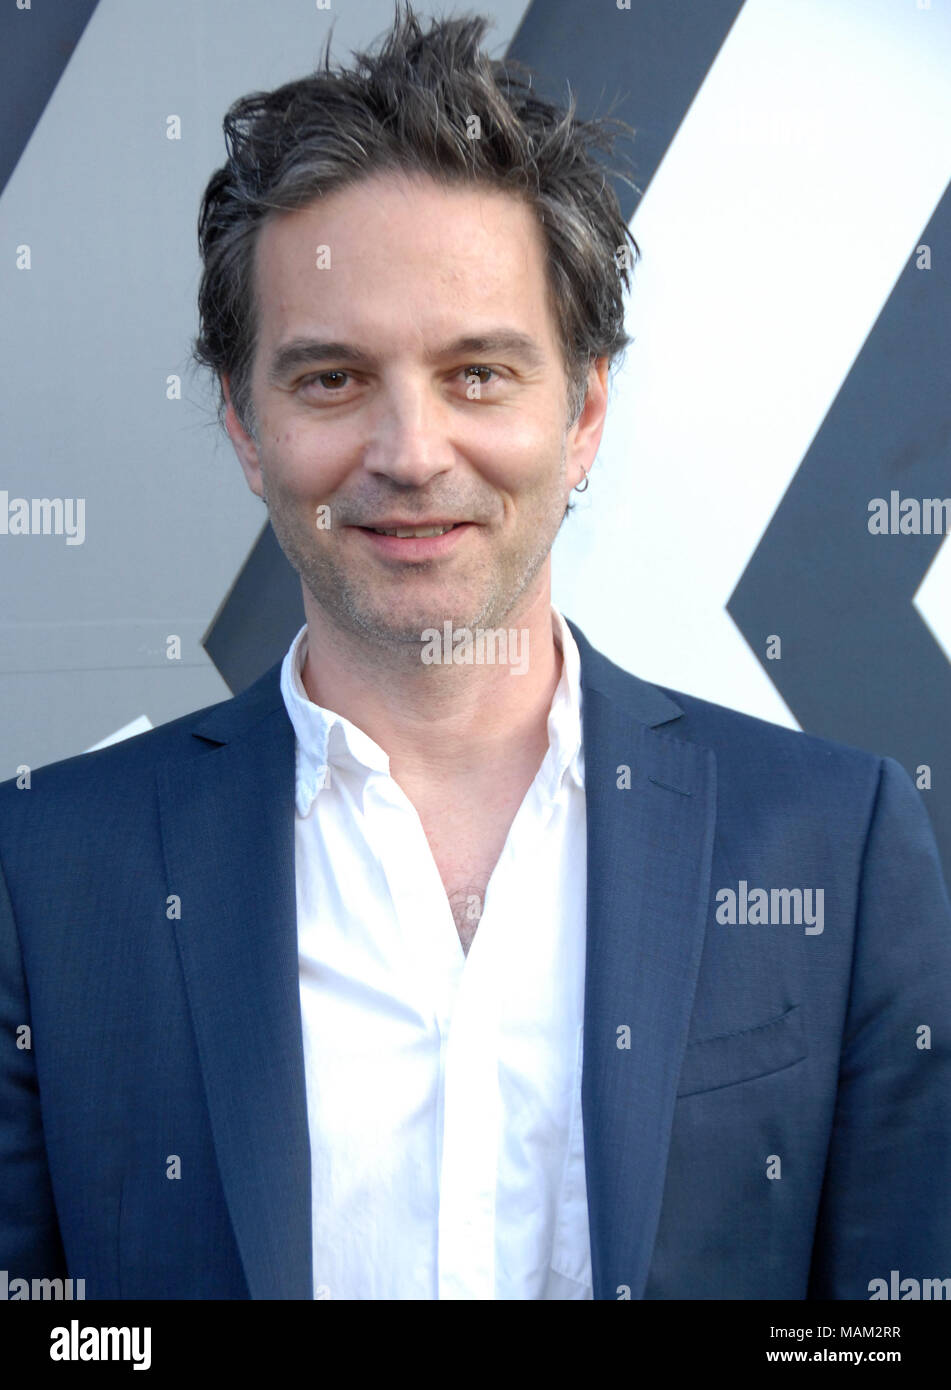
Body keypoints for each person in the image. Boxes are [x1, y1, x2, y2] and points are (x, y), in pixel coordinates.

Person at [1, 4, 949, 1302]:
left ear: (585, 413)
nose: (409, 451)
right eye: (331, 378)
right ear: (241, 420)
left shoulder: (838, 845)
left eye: (480, 374)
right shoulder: (45, 870)